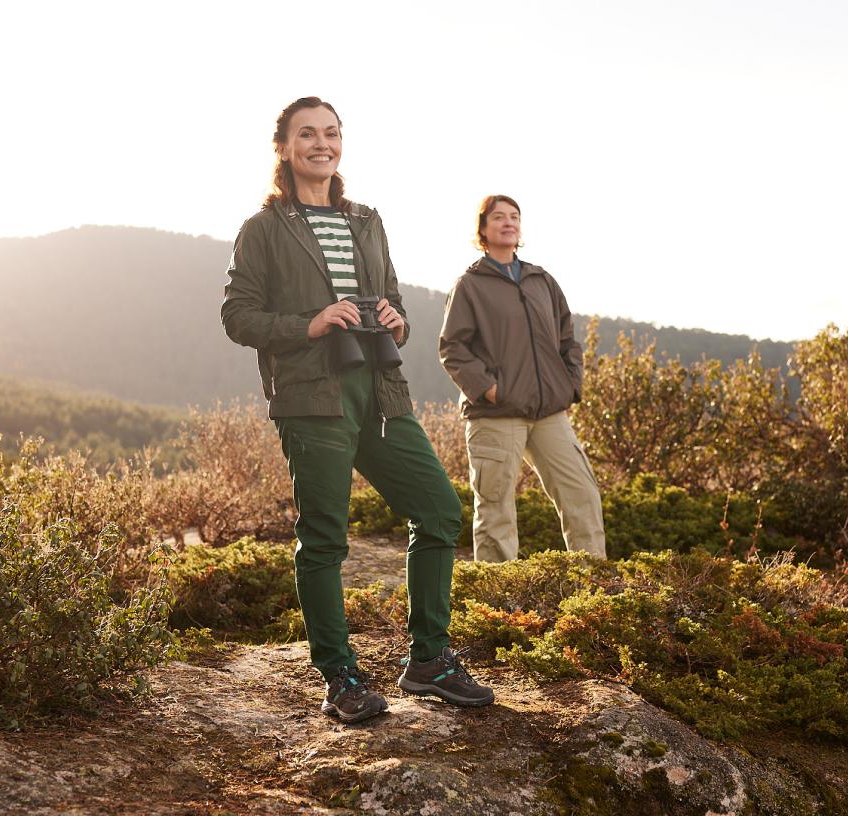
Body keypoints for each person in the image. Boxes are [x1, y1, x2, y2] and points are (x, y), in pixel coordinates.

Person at [221, 97, 494, 723]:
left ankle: (429, 660)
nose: (322, 143)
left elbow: (391, 297)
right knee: (325, 535)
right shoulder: (264, 228)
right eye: (307, 134)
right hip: (312, 396)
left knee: (439, 510)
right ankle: (339, 675)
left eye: (332, 133)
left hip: (381, 391)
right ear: (284, 147)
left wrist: (396, 320)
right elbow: (237, 316)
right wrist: (311, 323)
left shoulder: (366, 220)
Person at [439, 195, 607, 563]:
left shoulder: (541, 280)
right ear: (483, 229)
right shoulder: (470, 284)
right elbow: (453, 348)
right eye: (499, 217)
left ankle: (594, 585)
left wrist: (570, 385)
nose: (508, 222)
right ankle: (497, 593)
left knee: (582, 494)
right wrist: (490, 390)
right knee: (496, 508)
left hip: (549, 412)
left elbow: (568, 339)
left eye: (514, 216)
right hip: (496, 414)